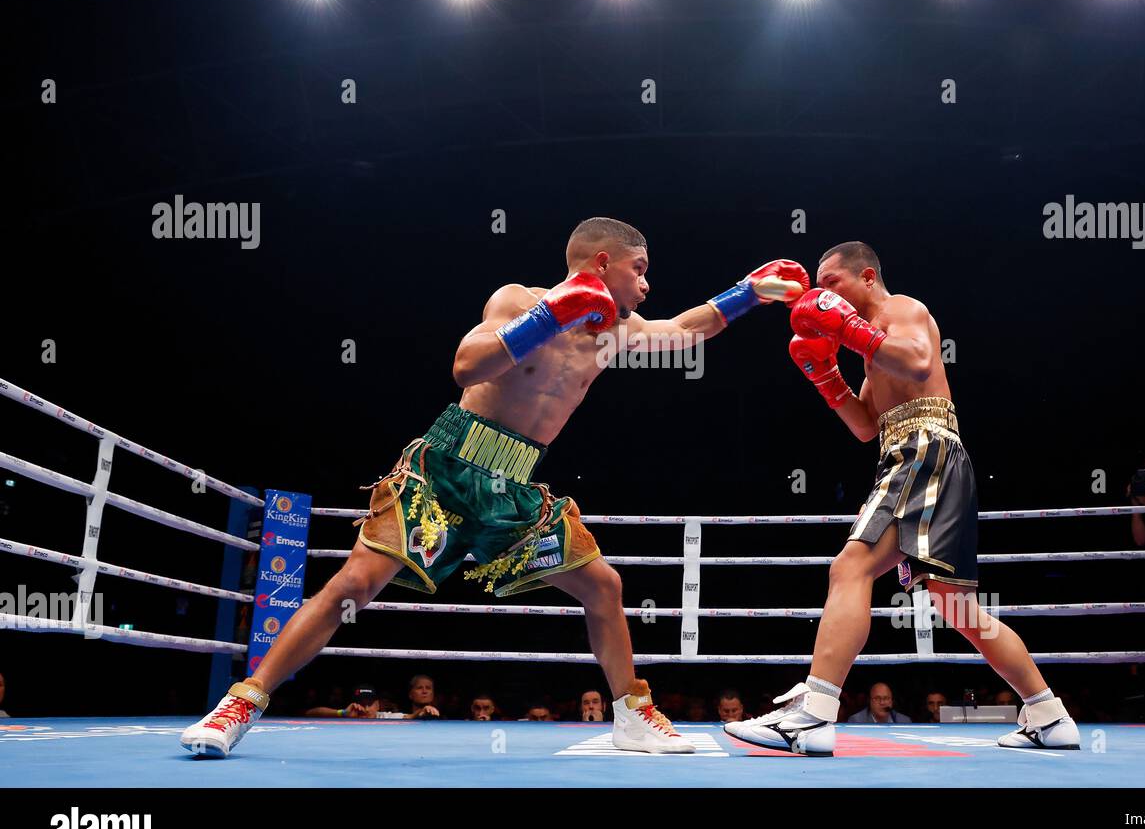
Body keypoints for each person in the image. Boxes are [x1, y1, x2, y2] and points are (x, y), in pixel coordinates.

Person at [182, 216, 810, 757]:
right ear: (602, 262)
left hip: (514, 486)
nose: (647, 285)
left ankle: (632, 714)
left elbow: (685, 331)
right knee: (353, 584)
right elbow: (466, 364)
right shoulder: (519, 298)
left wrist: (748, 293)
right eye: (639, 270)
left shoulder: (619, 332)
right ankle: (240, 705)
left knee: (603, 585)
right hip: (451, 465)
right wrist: (547, 318)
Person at [725, 241, 1079, 755]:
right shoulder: (868, 348)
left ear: (867, 277)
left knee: (850, 569)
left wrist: (847, 330)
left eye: (830, 284)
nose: (821, 295)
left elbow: (916, 363)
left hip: (923, 449)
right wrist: (824, 372)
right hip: (913, 453)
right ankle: (1051, 717)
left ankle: (815, 713)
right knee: (959, 608)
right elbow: (866, 427)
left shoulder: (900, 309)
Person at [846, 682, 912, 723]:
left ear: (891, 702)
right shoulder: (857, 721)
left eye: (886, 698)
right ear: (870, 701)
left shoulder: (904, 721)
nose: (882, 702)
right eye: (877, 698)